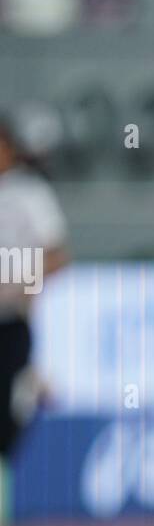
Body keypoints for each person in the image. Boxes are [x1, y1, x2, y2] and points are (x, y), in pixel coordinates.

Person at [0, 118, 70, 483]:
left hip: (13, 318)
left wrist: (17, 279)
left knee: (8, 412)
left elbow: (57, 254)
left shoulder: (28, 194)